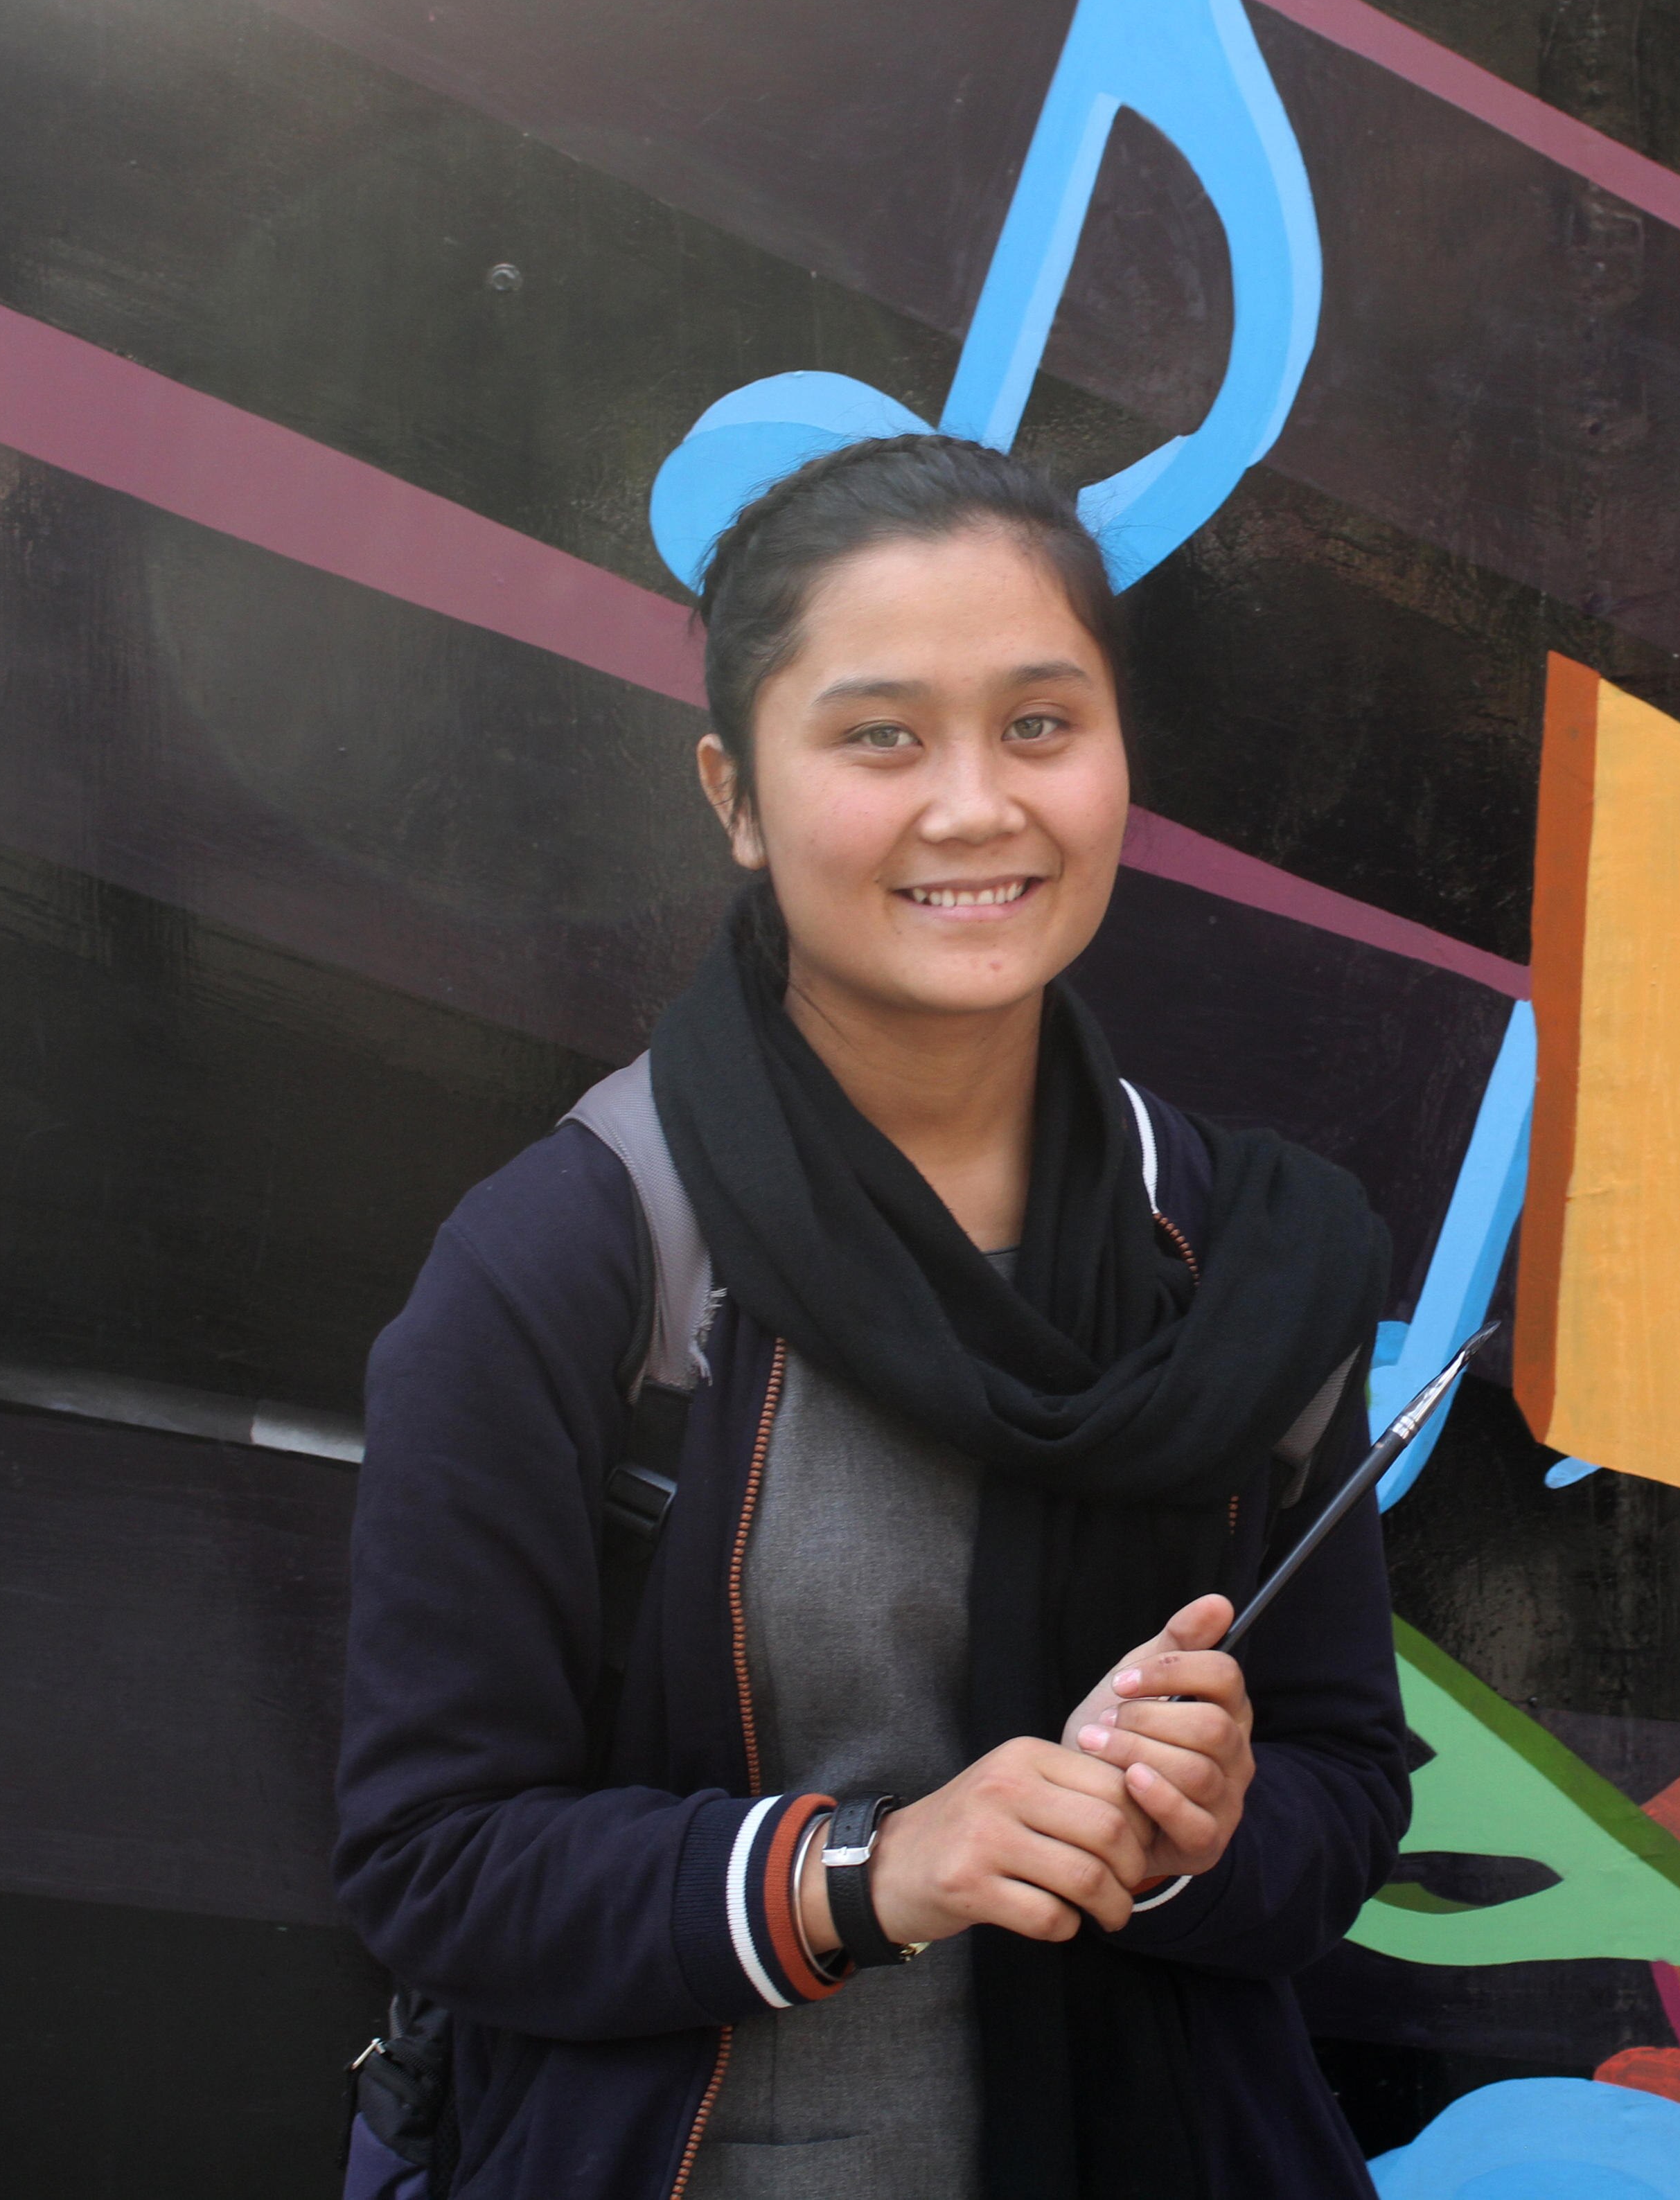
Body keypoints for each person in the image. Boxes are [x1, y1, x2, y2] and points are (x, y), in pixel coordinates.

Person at [335, 434, 1409, 2200]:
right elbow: (435, 1860)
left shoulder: (1247, 1254)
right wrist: (877, 1867)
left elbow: (1341, 1785)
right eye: (879, 734)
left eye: (1041, 724)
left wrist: (1201, 1829)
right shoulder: (576, 1258)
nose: (976, 805)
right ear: (735, 792)